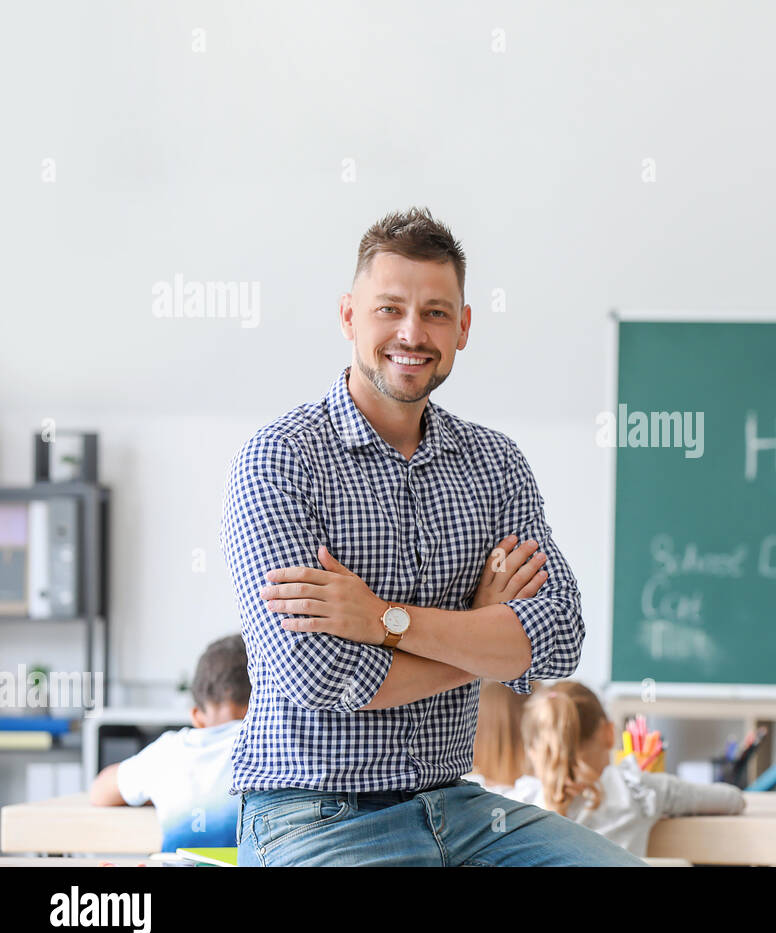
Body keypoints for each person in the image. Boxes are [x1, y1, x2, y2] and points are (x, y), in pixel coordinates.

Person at [219, 207, 645, 866]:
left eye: (436, 313)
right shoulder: (280, 459)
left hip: (458, 806)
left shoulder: (494, 462)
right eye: (389, 309)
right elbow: (317, 677)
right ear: (348, 316)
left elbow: (558, 639)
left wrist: (385, 621)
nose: (412, 333)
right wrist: (483, 631)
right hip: (316, 814)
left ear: (464, 326)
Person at [509, 680, 746, 857]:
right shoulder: (638, 790)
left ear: (532, 751)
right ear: (609, 733)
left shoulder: (517, 805)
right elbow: (732, 800)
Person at [89, 634, 248, 853]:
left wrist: (156, 792)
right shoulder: (273, 746)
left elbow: (100, 791)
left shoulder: (169, 753)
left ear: (196, 717)